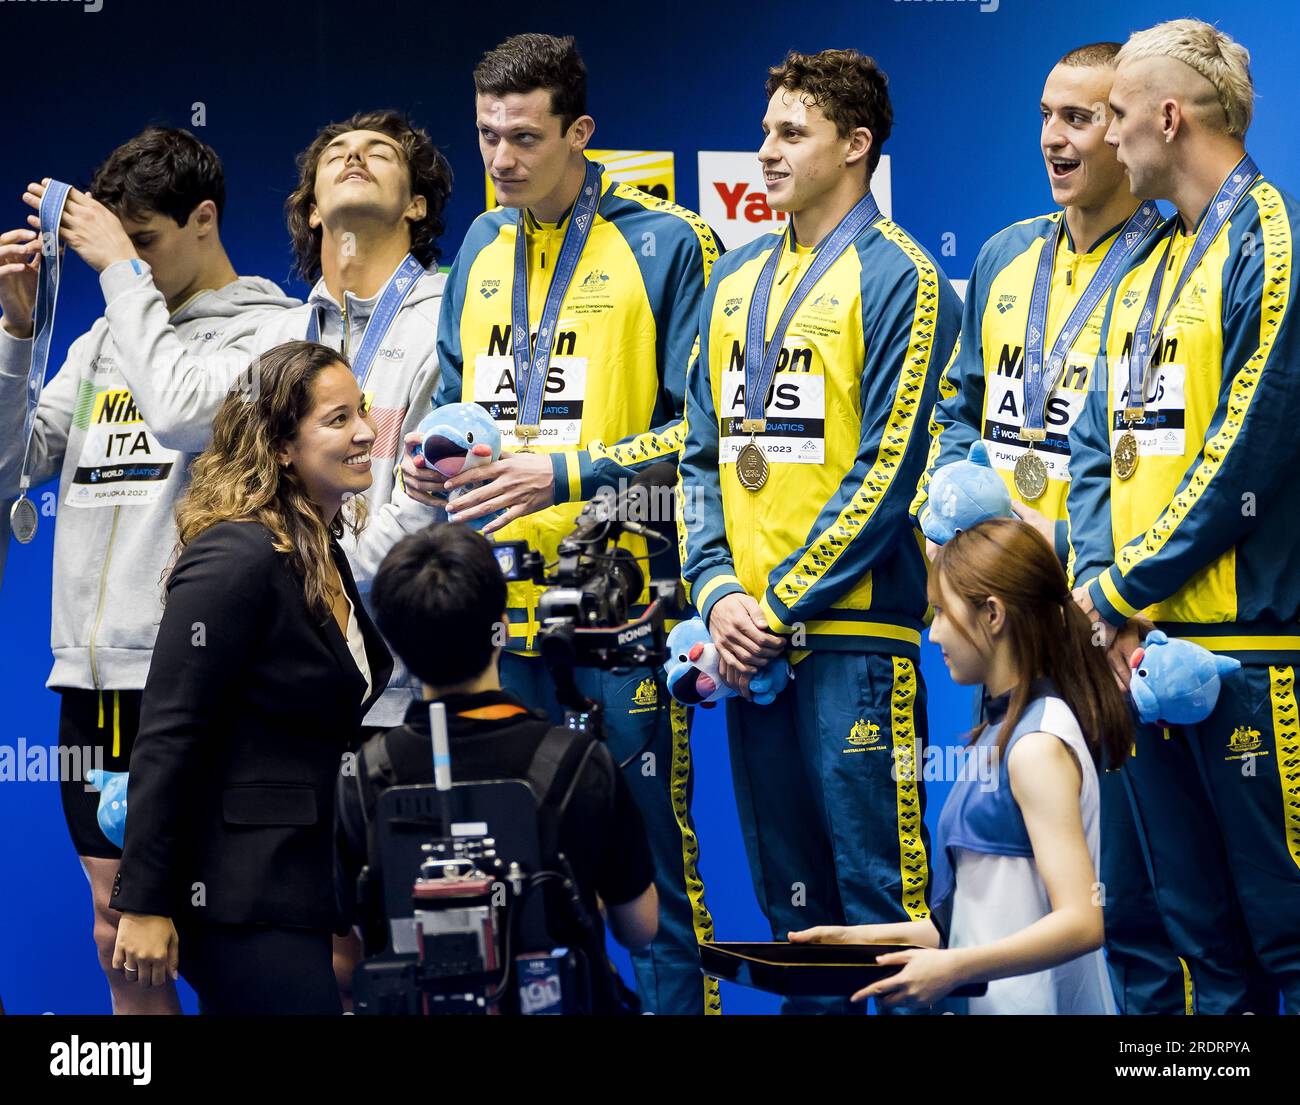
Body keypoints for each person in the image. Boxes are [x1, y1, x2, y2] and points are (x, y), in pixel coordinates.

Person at [430, 33, 723, 1015]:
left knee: (654, 881)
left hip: (621, 612)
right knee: (518, 875)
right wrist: (439, 461)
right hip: (499, 614)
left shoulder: (668, 242)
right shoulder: (477, 245)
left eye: (523, 136)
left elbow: (702, 430)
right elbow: (447, 403)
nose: (501, 159)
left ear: (579, 132)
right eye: (485, 137)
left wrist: (561, 470)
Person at [679, 48, 962, 1014]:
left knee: (882, 913)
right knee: (791, 917)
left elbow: (889, 473)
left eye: (790, 133)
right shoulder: (734, 280)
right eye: (764, 130)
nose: (765, 151)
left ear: (855, 146)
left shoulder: (908, 278)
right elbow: (700, 462)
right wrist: (718, 595)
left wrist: (778, 600)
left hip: (851, 643)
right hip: (750, 648)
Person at [906, 44, 1185, 1014]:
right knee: (1014, 876)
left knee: (1141, 911)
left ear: (1129, 128)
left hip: (1109, 617)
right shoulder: (1001, 254)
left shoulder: (1175, 264)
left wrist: (1118, 589)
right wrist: (950, 538)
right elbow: (953, 413)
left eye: (1080, 118)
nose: (1054, 139)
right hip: (1016, 607)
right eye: (1045, 115)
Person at [0, 128, 298, 1014]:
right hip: (92, 687)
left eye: (146, 243)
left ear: (204, 220)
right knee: (115, 931)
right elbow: (13, 463)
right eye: (118, 246)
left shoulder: (276, 334)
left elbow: (174, 413)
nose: (126, 264)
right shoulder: (103, 338)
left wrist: (115, 272)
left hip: (200, 682)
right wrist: (18, 333)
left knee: (225, 933)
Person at [1069, 18, 1300, 1014]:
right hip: (1136, 651)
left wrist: (1124, 586)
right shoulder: (1142, 261)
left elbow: (1250, 441)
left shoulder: (1271, 237)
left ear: (1169, 116)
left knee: (1282, 940)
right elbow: (1091, 444)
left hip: (1248, 654)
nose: (1104, 139)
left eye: (1116, 115)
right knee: (1184, 940)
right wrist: (1095, 590)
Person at [108, 341, 392, 1014]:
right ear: (282, 446)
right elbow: (170, 732)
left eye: (363, 412)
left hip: (298, 893)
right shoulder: (234, 554)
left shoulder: (321, 553)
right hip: (236, 900)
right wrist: (144, 903)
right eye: (338, 417)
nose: (365, 432)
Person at [792, 517, 1127, 1015]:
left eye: (943, 613)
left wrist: (954, 968)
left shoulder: (1036, 743)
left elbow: (1081, 921)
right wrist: (857, 940)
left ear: (992, 614)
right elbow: (974, 921)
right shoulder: (1000, 732)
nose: (933, 634)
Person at [335, 522, 659, 1013]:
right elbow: (640, 929)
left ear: (394, 637)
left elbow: (350, 942)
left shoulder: (363, 776)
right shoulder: (578, 762)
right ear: (501, 626)